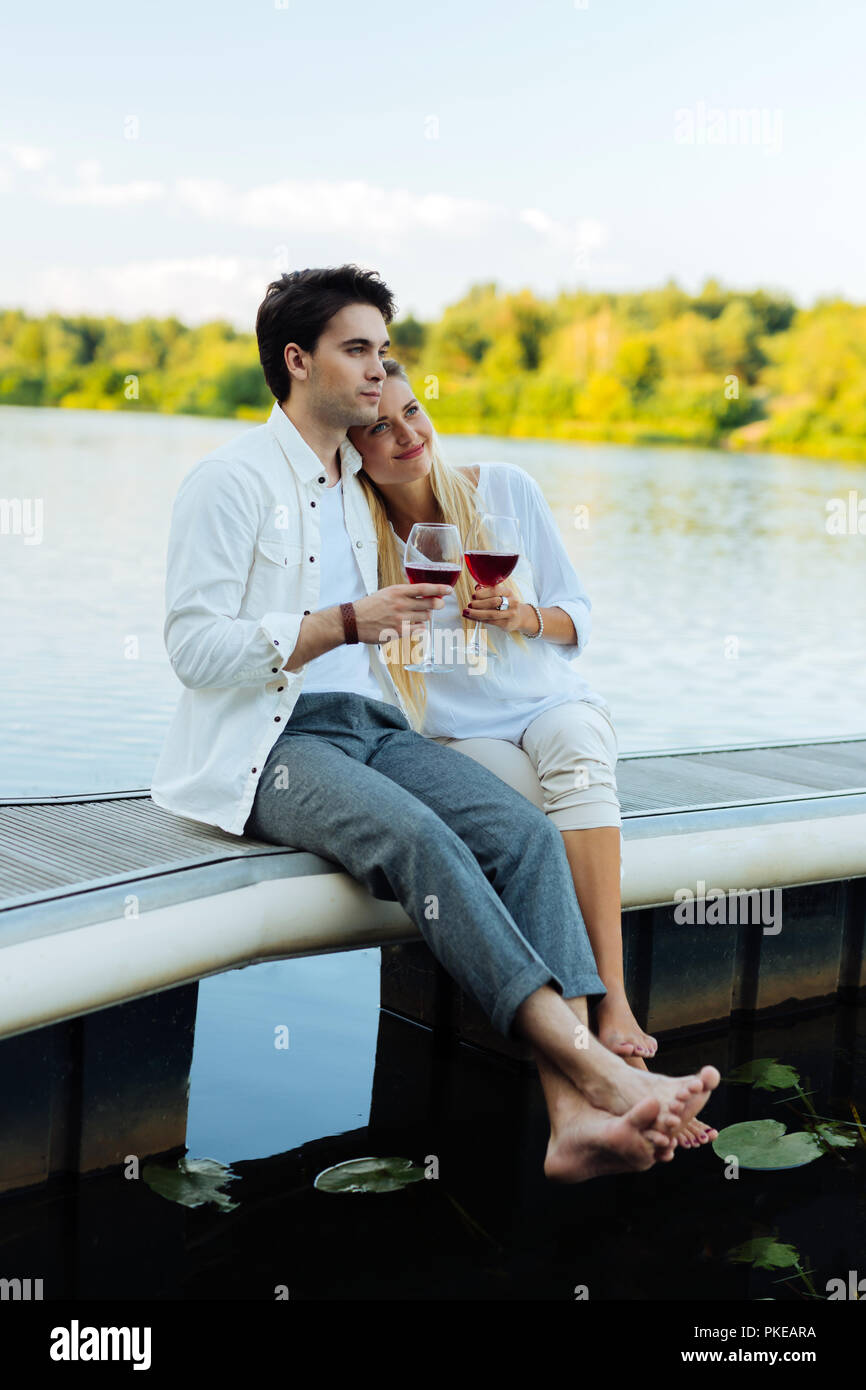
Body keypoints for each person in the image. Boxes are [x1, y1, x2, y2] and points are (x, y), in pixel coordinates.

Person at [150, 263, 719, 1181]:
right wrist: (341, 623)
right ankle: (594, 1068)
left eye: (384, 353)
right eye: (357, 351)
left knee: (524, 836)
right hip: (273, 743)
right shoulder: (229, 481)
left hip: (371, 728)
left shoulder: (353, 486)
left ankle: (571, 1117)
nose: (380, 374)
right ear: (297, 361)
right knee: (423, 840)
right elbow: (191, 649)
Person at [347, 361, 717, 1152]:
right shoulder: (356, 533)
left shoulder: (504, 489)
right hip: (459, 735)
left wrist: (523, 616)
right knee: (528, 825)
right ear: (354, 447)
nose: (408, 434)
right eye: (379, 426)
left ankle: (612, 1002)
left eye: (411, 411)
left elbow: (579, 616)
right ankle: (580, 1068)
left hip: (548, 700)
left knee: (580, 757)